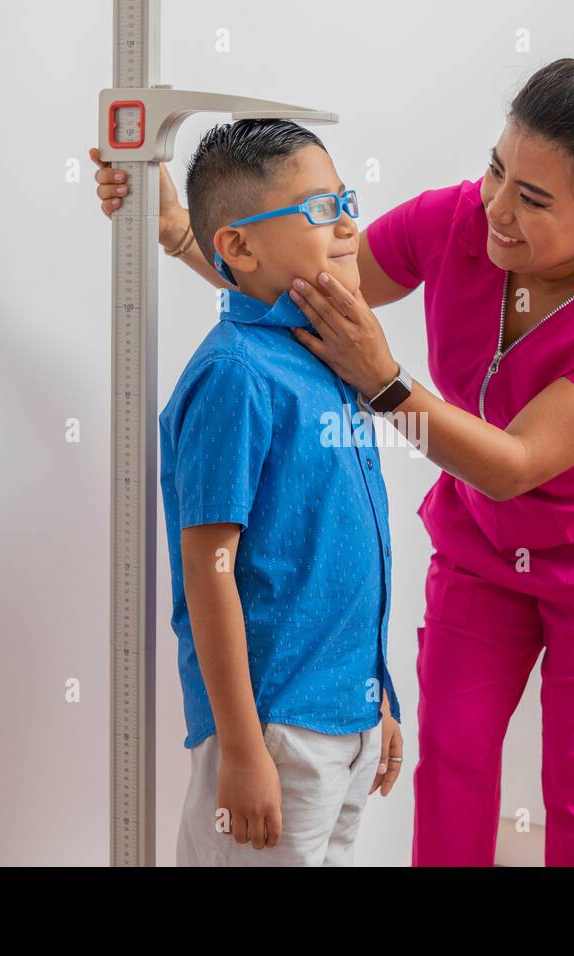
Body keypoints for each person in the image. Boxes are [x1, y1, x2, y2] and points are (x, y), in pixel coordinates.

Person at [95, 58, 574, 867]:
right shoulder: (455, 222)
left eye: (533, 199)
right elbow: (300, 288)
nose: (496, 208)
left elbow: (515, 463)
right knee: (454, 768)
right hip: (485, 545)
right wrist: (179, 228)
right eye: (497, 170)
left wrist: (385, 381)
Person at [155, 119, 402, 866]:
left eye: (346, 200)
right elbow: (209, 569)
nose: (350, 224)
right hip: (274, 729)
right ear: (237, 246)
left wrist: (378, 697)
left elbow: (346, 553)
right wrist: (240, 748)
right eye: (322, 208)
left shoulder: (328, 353)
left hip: (345, 717)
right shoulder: (236, 374)